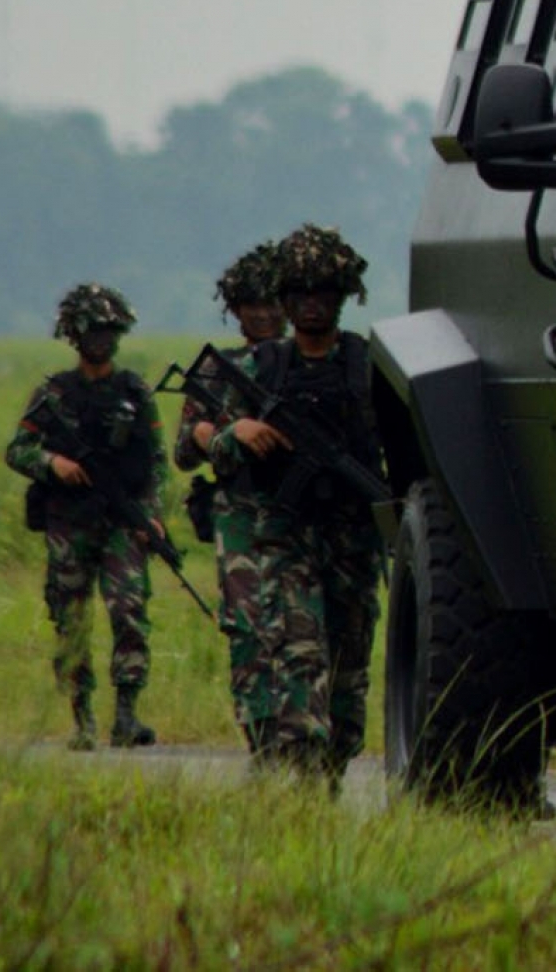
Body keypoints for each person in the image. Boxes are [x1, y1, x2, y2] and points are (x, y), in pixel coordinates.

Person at [198, 223, 387, 779]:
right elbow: (203, 438)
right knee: (299, 657)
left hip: (352, 538)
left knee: (348, 676)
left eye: (323, 291)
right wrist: (239, 433)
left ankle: (327, 780)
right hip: (285, 538)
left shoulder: (369, 367)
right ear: (284, 299)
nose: (311, 303)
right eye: (299, 293)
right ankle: (299, 787)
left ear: (342, 296)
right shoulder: (259, 368)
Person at [3, 282, 166, 750]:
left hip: (121, 520)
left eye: (108, 331)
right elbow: (18, 449)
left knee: (129, 609)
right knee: (70, 617)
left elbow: (156, 460)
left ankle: (127, 715)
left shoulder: (135, 391)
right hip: (69, 521)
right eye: (92, 331)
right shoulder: (54, 393)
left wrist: (151, 515)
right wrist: (53, 463)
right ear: (74, 336)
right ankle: (83, 719)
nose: (101, 340)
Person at [172, 241, 285, 745]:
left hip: (301, 513)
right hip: (239, 513)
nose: (264, 314)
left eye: (272, 302)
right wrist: (222, 434)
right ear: (235, 310)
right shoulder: (217, 370)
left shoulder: (304, 363)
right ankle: (261, 737)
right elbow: (184, 449)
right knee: (248, 629)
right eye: (252, 304)